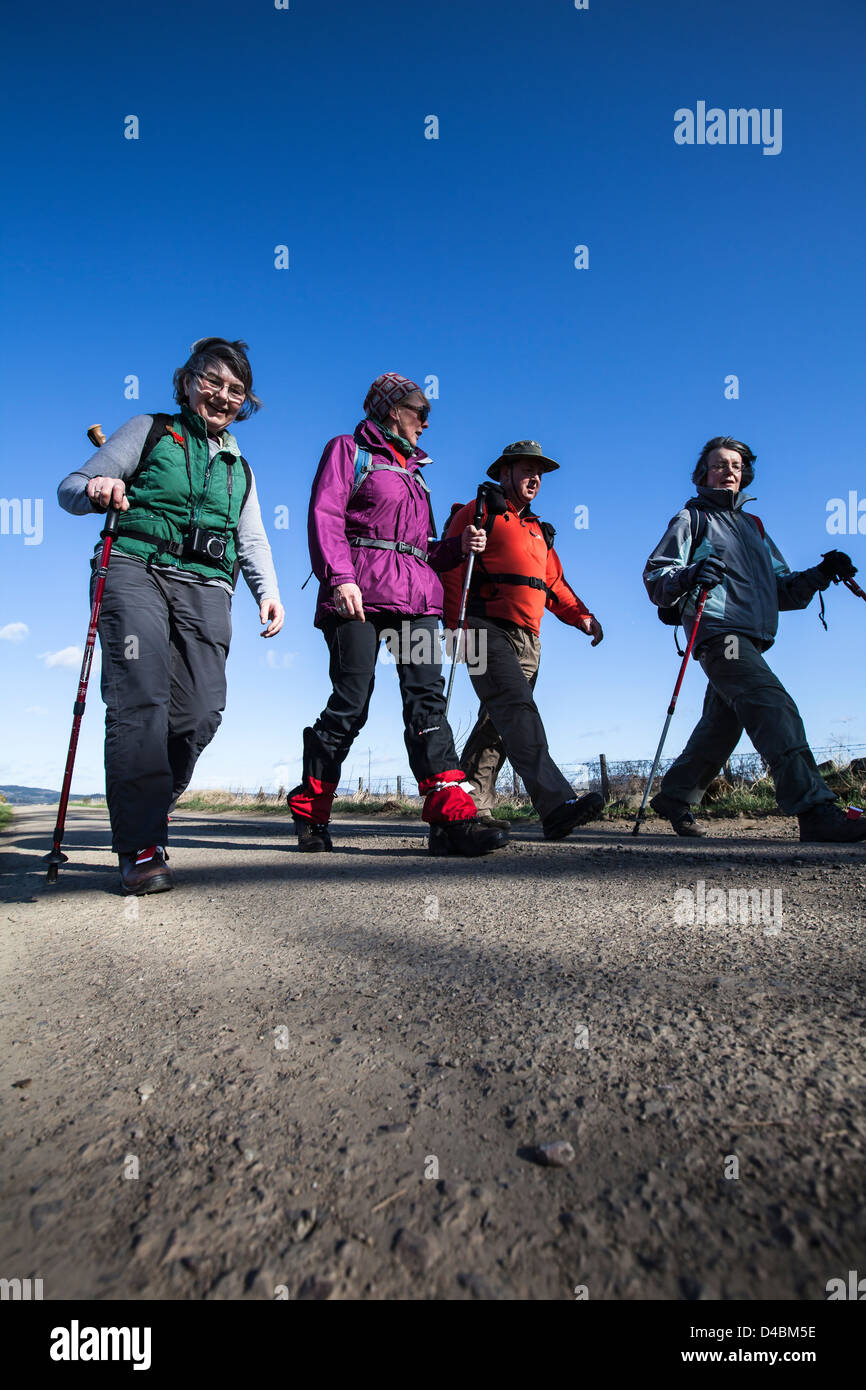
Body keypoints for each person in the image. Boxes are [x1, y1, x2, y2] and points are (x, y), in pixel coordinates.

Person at [58, 338, 285, 893]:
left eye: (235, 390)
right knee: (142, 701)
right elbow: (69, 489)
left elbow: (250, 538)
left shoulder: (240, 467)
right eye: (211, 381)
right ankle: (140, 844)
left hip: (208, 587)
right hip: (135, 569)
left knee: (201, 713)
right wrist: (98, 485)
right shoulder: (149, 429)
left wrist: (268, 590)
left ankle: (150, 805)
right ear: (186, 380)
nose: (221, 395)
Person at [287, 372, 509, 857]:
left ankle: (451, 821)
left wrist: (456, 548)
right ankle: (311, 812)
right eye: (420, 413)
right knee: (351, 703)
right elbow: (325, 516)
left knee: (428, 702)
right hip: (358, 594)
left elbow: (417, 550)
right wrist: (340, 577)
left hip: (418, 600)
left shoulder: (415, 472)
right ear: (392, 409)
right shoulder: (349, 451)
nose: (426, 423)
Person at [643, 435, 865, 843]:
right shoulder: (692, 518)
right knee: (771, 703)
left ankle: (675, 795)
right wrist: (691, 574)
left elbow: (782, 589)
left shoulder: (754, 527)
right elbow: (657, 578)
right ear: (703, 474)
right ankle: (813, 809)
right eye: (720, 464)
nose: (729, 471)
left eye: (736, 466)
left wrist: (820, 573)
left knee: (721, 726)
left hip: (752, 636)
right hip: (718, 633)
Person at [441, 440, 605, 839]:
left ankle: (469, 807)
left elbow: (553, 584)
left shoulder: (538, 532)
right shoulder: (478, 512)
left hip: (529, 638)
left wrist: (581, 616)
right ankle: (555, 805)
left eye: (540, 473)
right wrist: (453, 627)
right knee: (516, 709)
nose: (535, 478)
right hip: (483, 629)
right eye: (527, 469)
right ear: (503, 472)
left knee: (499, 723)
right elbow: (449, 569)